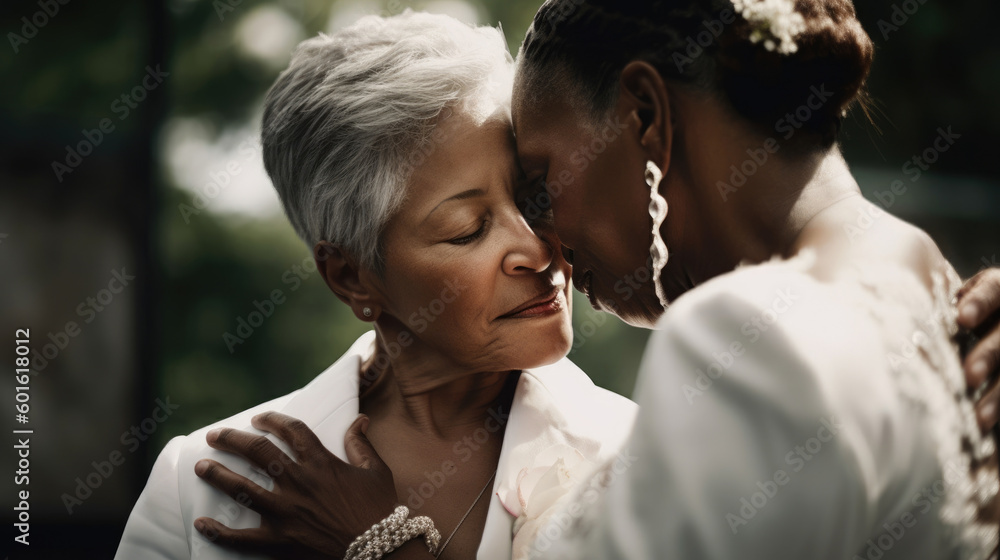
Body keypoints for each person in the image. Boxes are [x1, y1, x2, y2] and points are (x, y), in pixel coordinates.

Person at [186, 3, 1000, 560]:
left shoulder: (750, 339)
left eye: (540, 184)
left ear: (644, 115)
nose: (550, 243)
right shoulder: (936, 286)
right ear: (351, 272)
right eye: (470, 225)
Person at [113, 12, 637, 560]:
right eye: (467, 230)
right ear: (351, 276)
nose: (537, 248)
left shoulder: (650, 452)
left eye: (534, 198)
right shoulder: (203, 488)